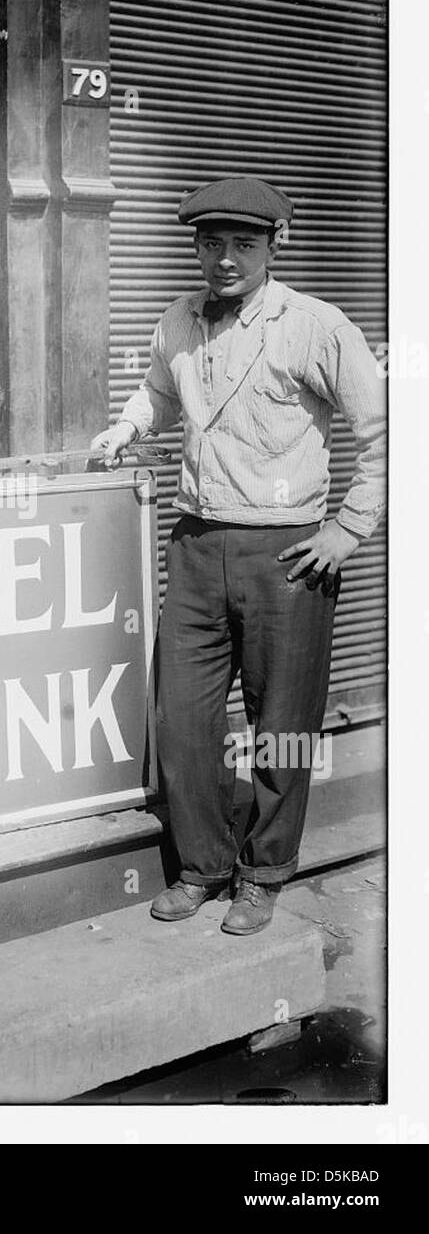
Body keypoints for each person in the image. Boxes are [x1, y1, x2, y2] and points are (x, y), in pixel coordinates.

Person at [92, 177, 385, 935]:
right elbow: (157, 393)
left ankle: (263, 873)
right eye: (212, 244)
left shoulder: (316, 326)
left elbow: (385, 432)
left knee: (281, 722)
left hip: (287, 552)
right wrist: (125, 428)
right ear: (196, 247)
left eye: (243, 246)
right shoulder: (176, 320)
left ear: (271, 248)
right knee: (183, 721)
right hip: (194, 542)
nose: (225, 260)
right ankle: (201, 867)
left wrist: (347, 529)